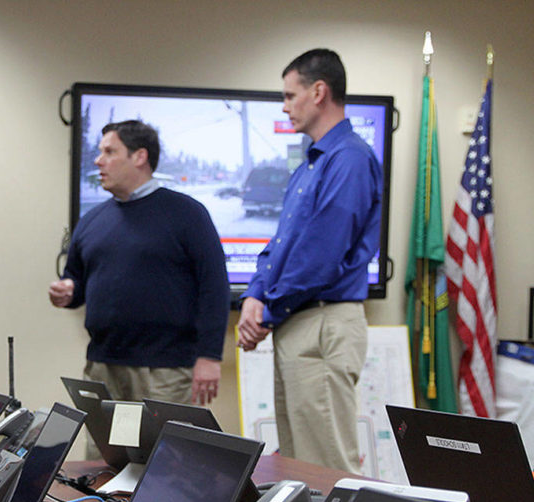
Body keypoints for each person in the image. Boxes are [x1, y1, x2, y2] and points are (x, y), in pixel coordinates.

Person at [237, 48, 382, 474]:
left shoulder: (349, 158)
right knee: (299, 468)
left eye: (289, 94)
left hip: (322, 322)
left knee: (326, 472)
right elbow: (282, 244)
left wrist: (268, 311)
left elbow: (321, 254)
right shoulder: (310, 165)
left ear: (319, 92)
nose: (284, 106)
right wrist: (254, 294)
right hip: (298, 320)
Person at [49, 120, 228, 408]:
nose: (98, 160)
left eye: (109, 151)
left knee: (163, 453)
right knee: (104, 454)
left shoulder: (187, 214)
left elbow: (214, 287)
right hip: (102, 367)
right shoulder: (92, 220)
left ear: (139, 157)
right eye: (100, 152)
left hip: (165, 371)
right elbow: (76, 281)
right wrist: (68, 291)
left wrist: (209, 357)